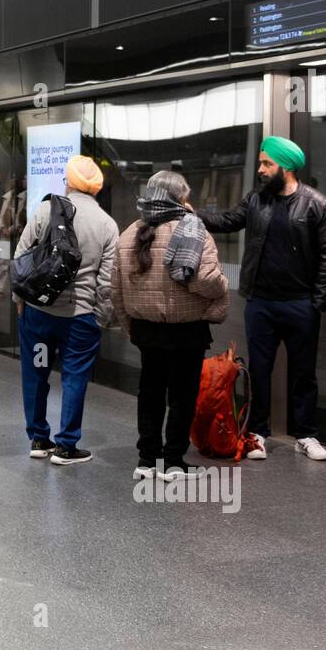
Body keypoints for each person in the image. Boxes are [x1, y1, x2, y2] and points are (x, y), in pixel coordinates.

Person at [199, 136, 326, 461]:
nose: (261, 169)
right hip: (261, 303)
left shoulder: (319, 205)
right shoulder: (256, 201)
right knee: (260, 370)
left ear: (286, 167)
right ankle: (257, 433)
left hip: (300, 304)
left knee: (303, 374)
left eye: (267, 164)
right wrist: (193, 215)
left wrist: (315, 302)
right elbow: (228, 221)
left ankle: (306, 435)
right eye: (262, 162)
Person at [111, 171, 229, 480]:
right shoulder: (194, 230)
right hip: (186, 329)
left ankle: (147, 460)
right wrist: (223, 285)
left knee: (149, 393)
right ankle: (173, 461)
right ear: (180, 198)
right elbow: (205, 279)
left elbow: (114, 289)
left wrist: (130, 327)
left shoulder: (129, 233)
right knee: (182, 395)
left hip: (146, 330)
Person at [12, 156, 119, 465]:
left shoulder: (47, 210)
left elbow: (21, 257)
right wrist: (100, 317)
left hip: (39, 315)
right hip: (79, 320)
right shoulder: (107, 225)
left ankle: (38, 438)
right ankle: (66, 445)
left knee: (37, 372)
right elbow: (107, 282)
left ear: (69, 182)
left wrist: (21, 300)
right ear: (96, 188)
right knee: (73, 377)